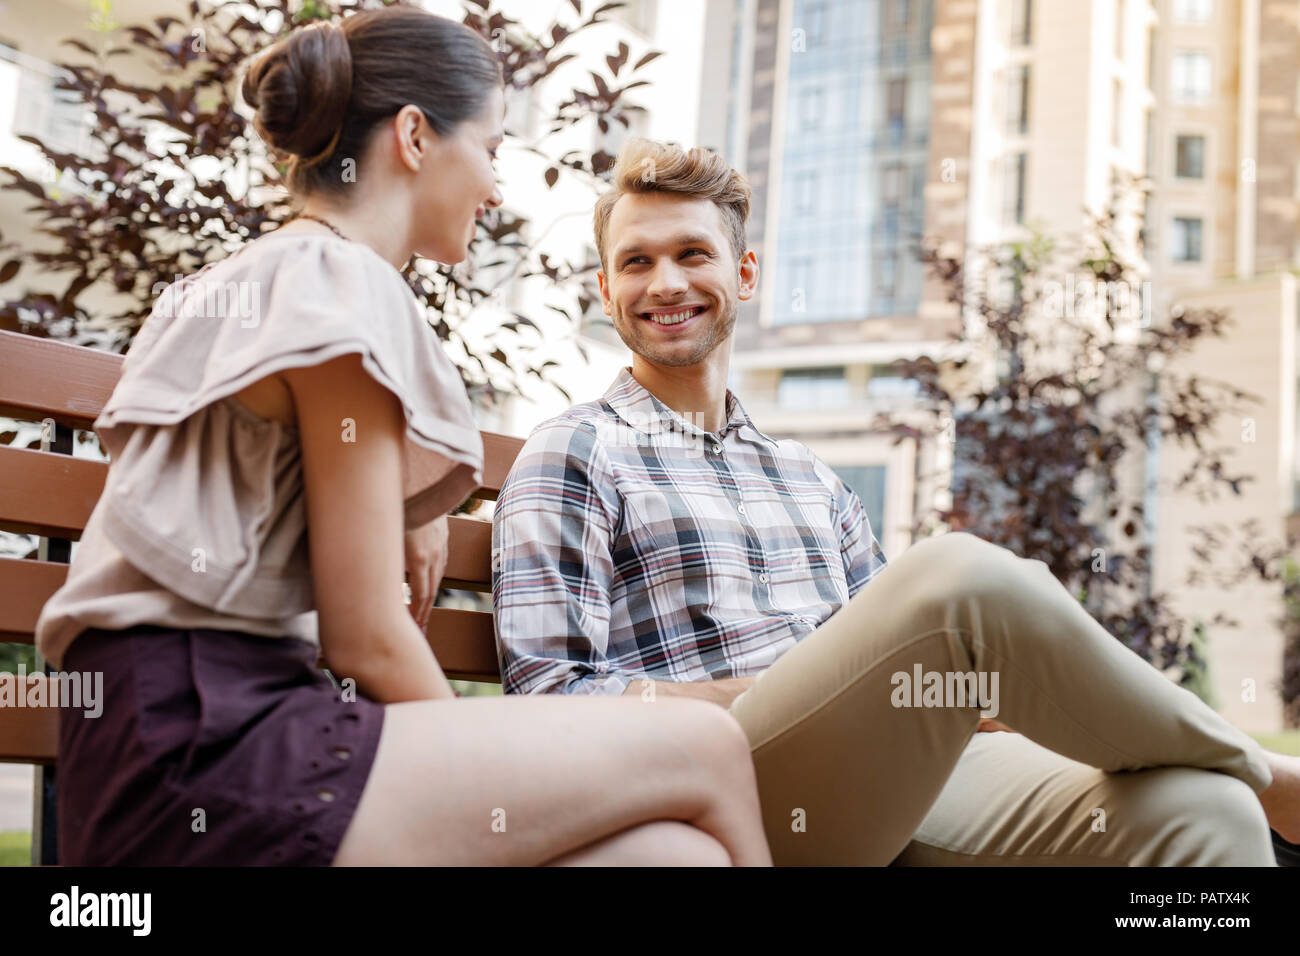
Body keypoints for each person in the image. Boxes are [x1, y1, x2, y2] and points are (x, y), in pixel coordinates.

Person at [35, 10, 771, 867]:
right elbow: (368, 639)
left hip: (165, 742)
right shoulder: (342, 281)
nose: (496, 187)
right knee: (707, 746)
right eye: (492, 148)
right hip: (209, 745)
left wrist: (405, 506)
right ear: (416, 136)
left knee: (667, 858)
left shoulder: (246, 279)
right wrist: (492, 783)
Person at [491, 136, 1300, 866]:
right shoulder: (575, 452)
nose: (665, 282)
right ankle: (1265, 772)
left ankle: (1238, 780)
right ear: (606, 290)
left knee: (1201, 811)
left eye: (692, 253)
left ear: (743, 274)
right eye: (636, 262)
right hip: (716, 786)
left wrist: (971, 704)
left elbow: (913, 672)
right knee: (959, 580)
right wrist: (783, 693)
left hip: (890, 785)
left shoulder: (811, 480)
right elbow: (551, 699)